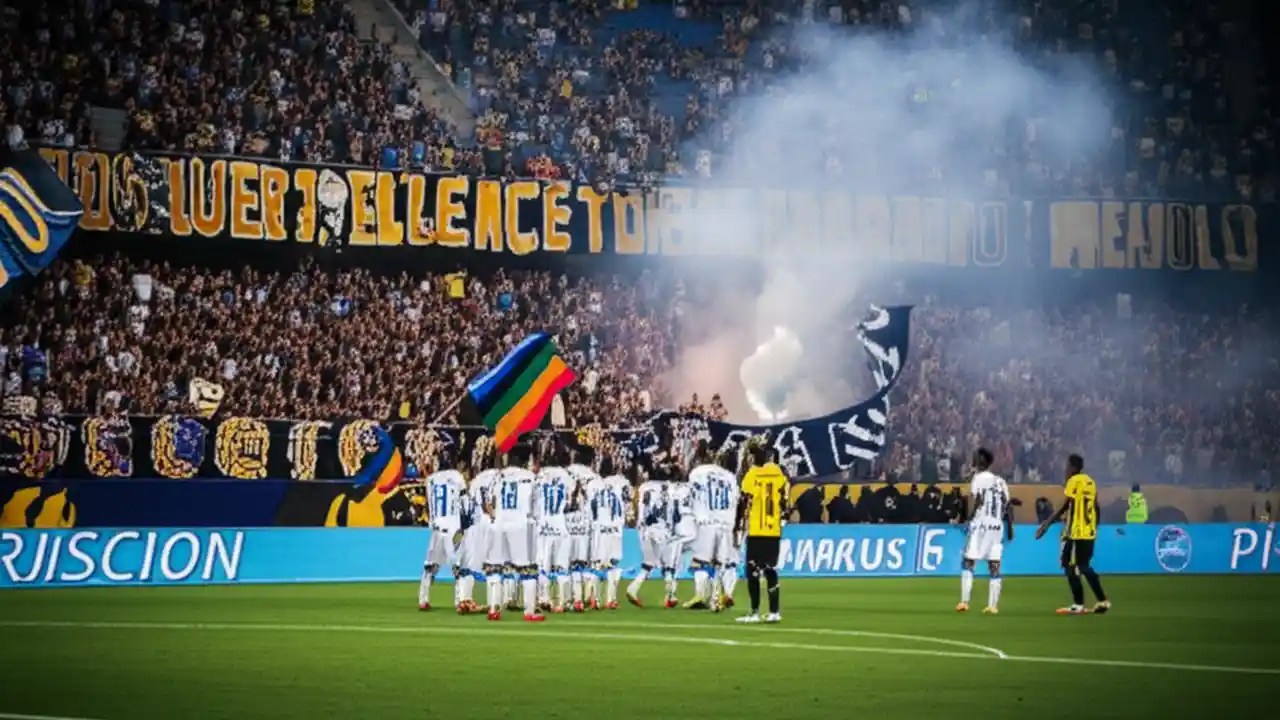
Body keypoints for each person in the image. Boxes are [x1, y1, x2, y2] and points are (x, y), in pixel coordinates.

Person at [1035, 453, 1111, 615]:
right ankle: (1102, 600)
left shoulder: (1073, 482)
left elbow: (1065, 506)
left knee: (1069, 564)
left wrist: (1045, 525)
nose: (1065, 470)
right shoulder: (1090, 482)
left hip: (1076, 532)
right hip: (1089, 531)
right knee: (1083, 565)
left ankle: (1079, 604)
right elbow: (1096, 507)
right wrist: (1094, 526)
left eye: (1067, 466)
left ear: (1073, 467)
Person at [486, 444, 543, 622]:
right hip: (520, 524)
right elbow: (536, 507)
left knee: (495, 567)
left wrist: (497, 516)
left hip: (499, 523)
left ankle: (494, 609)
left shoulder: (498, 476)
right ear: (526, 460)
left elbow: (488, 503)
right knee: (528, 568)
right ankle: (529, 611)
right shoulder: (530, 477)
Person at [683, 441, 739, 610]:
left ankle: (701, 595)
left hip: (706, 523)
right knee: (725, 562)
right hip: (726, 523)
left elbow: (691, 497)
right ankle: (724, 595)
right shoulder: (730, 477)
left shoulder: (698, 473)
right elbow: (735, 501)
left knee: (700, 562)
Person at [736, 441, 788, 624]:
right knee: (771, 570)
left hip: (757, 529)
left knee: (753, 571)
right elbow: (784, 501)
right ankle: (774, 611)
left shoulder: (753, 474)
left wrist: (738, 525)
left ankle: (754, 612)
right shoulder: (779, 474)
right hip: (773, 530)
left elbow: (745, 497)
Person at [957, 448, 1010, 614]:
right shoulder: (1001, 481)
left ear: (980, 460)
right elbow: (1006, 505)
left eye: (975, 458)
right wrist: (1010, 527)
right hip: (997, 526)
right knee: (994, 565)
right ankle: (992, 606)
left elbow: (978, 500)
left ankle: (964, 602)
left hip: (981, 524)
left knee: (968, 562)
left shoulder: (978, 479)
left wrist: (969, 519)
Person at [418, 448, 467, 611]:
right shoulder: (457, 476)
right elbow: (464, 500)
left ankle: (423, 599)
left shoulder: (430, 479)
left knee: (430, 565)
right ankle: (460, 600)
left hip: (436, 527)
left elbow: (428, 503)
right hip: (454, 527)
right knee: (459, 564)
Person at [533, 445, 574, 612]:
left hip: (543, 525)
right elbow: (572, 500)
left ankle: (544, 598)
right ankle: (563, 601)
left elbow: (533, 498)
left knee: (543, 564)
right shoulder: (566, 476)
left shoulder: (540, 476)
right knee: (562, 566)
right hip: (559, 524)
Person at [588, 456, 630, 609]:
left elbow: (589, 507)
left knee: (597, 564)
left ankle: (595, 599)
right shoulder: (621, 482)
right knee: (613, 564)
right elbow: (627, 502)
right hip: (615, 529)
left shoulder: (593, 484)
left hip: (599, 529)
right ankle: (611, 599)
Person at [627, 465, 670, 606]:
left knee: (648, 563)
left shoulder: (643, 487)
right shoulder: (668, 487)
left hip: (644, 529)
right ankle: (671, 596)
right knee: (667, 564)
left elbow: (635, 503)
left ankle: (633, 589)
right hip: (661, 529)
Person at [564, 453, 596, 611]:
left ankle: (574, 599)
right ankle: (591, 597)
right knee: (585, 563)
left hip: (569, 522)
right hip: (586, 522)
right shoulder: (593, 477)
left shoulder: (567, 472)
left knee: (570, 564)